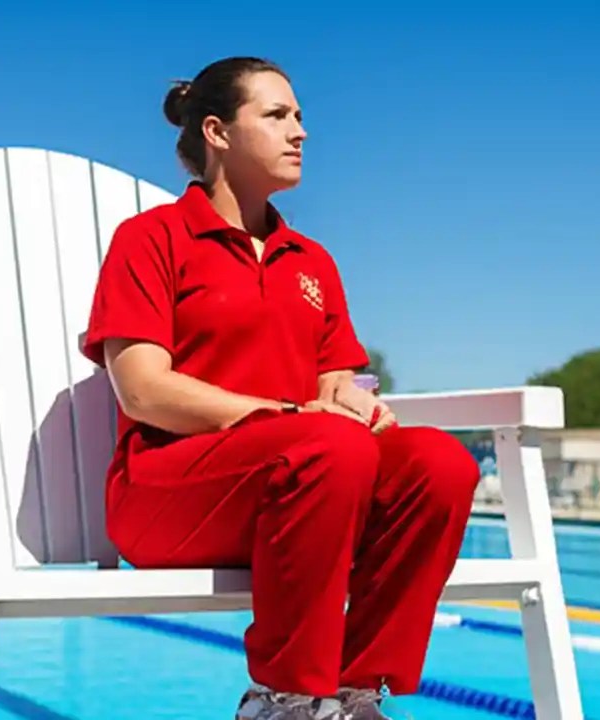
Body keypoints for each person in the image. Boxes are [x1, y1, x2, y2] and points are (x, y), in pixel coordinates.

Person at [80, 56, 480, 720]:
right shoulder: (151, 239)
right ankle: (284, 697)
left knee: (439, 465)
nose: (301, 131)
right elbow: (143, 391)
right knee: (327, 448)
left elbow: (332, 388)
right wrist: (276, 415)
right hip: (167, 493)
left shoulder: (313, 261)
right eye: (276, 115)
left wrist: (354, 402)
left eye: (299, 116)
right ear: (217, 132)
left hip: (303, 487)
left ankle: (352, 692)